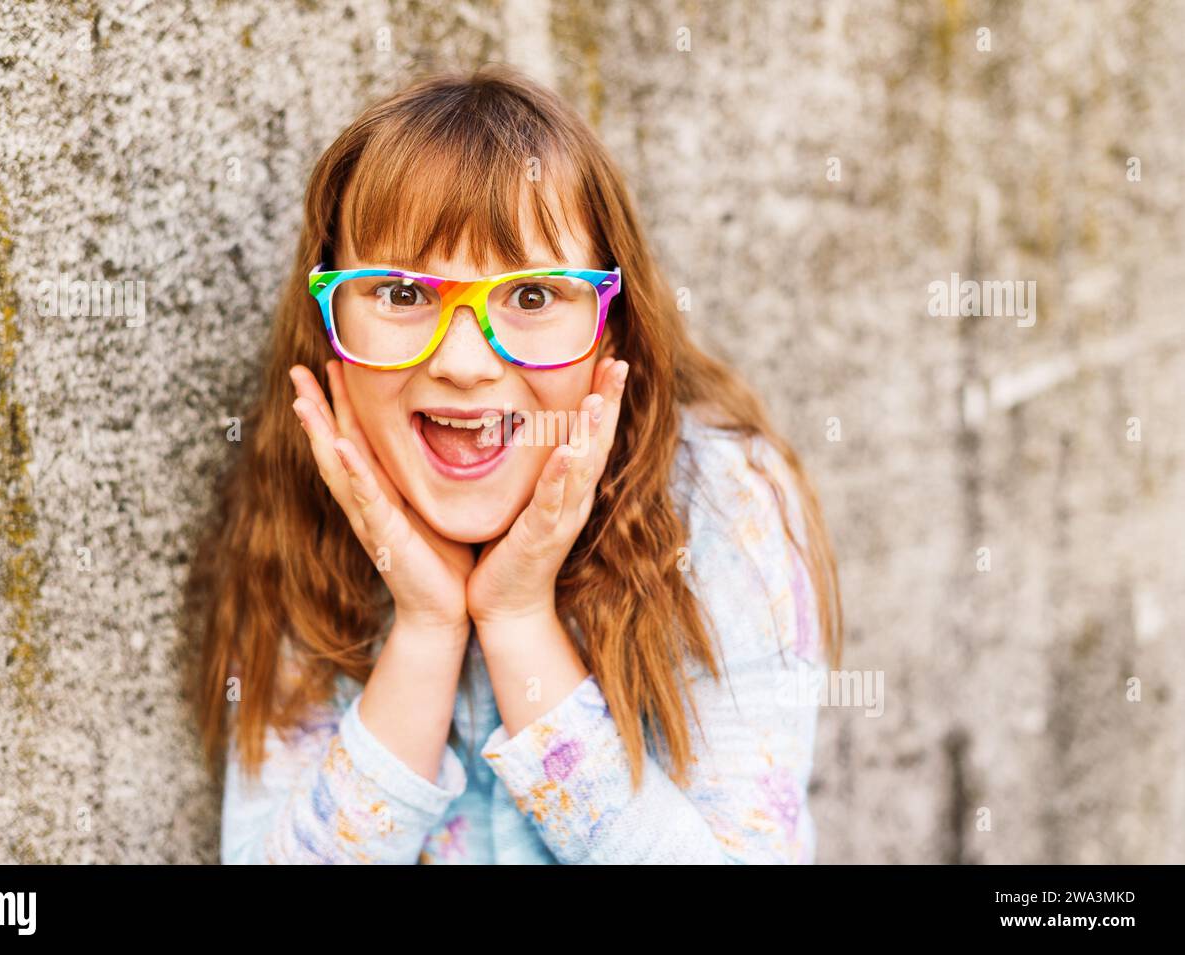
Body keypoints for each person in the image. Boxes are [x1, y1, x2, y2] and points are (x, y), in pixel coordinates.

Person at [186, 64, 843, 864]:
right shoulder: (303, 511)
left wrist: (519, 621)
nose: (464, 362)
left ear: (612, 328)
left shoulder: (723, 507)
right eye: (400, 293)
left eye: (531, 297)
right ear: (329, 326)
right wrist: (426, 631)